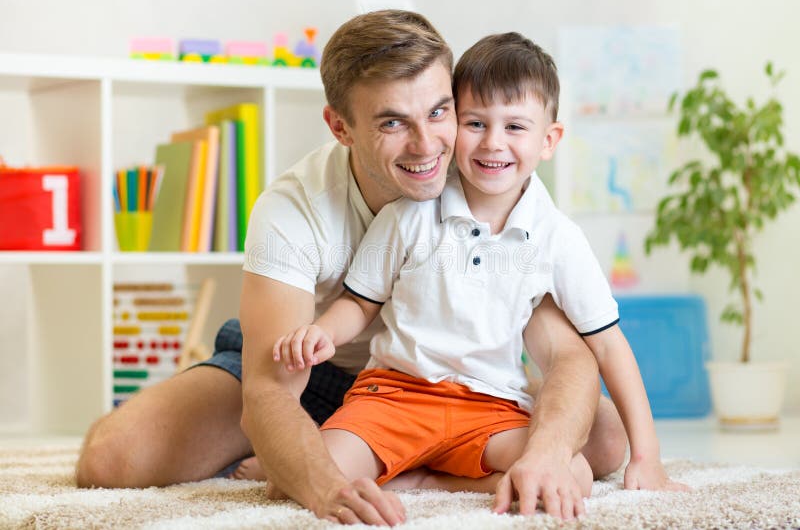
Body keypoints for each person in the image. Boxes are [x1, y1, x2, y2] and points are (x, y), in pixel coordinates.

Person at [75, 11, 627, 525]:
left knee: (600, 437)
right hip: (314, 373)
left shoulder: (490, 172)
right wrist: (321, 486)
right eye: (392, 122)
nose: (426, 144)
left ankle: (395, 465)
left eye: (438, 112)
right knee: (112, 462)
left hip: (449, 383)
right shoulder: (295, 209)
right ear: (340, 127)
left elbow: (568, 352)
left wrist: (551, 451)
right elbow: (270, 390)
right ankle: (290, 449)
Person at [264, 31, 687, 512]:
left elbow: (608, 344)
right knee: (296, 481)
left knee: (573, 474)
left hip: (490, 407)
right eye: (476, 123)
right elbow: (360, 303)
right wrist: (321, 332)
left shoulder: (558, 238)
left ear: (550, 140)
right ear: (454, 125)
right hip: (394, 398)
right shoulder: (410, 213)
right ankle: (413, 470)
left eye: (515, 127)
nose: (493, 143)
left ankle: (426, 483)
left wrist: (647, 456)